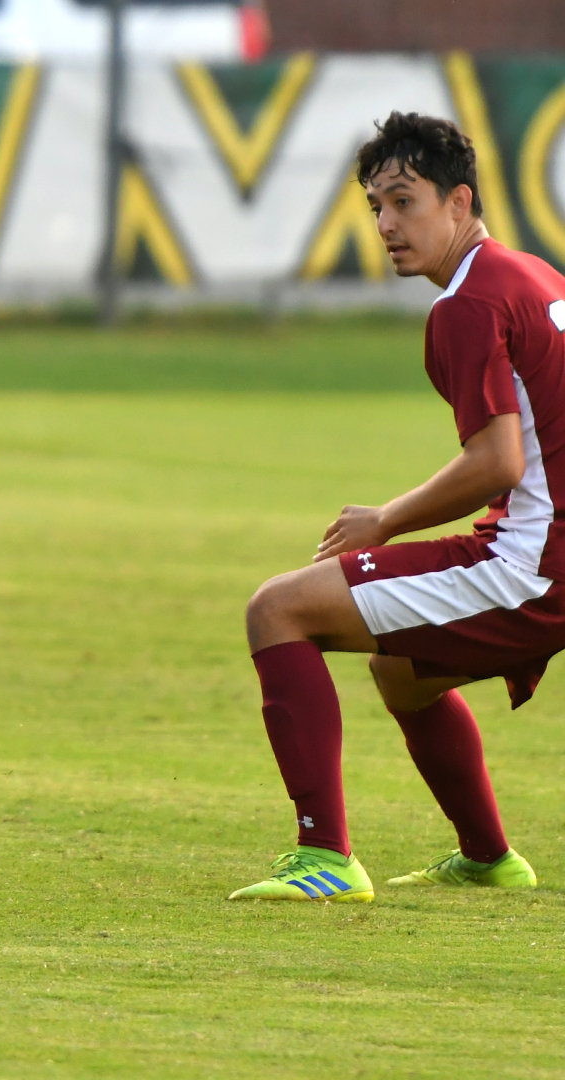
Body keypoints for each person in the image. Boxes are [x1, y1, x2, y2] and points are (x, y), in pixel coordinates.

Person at [232, 111, 553, 902]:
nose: (385, 224)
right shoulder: (532, 274)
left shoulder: (467, 305)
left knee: (277, 610)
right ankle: (488, 858)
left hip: (536, 561)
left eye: (403, 202)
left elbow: (498, 462)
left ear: (459, 200)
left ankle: (325, 860)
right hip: (547, 551)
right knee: (403, 672)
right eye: (375, 205)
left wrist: (385, 521)